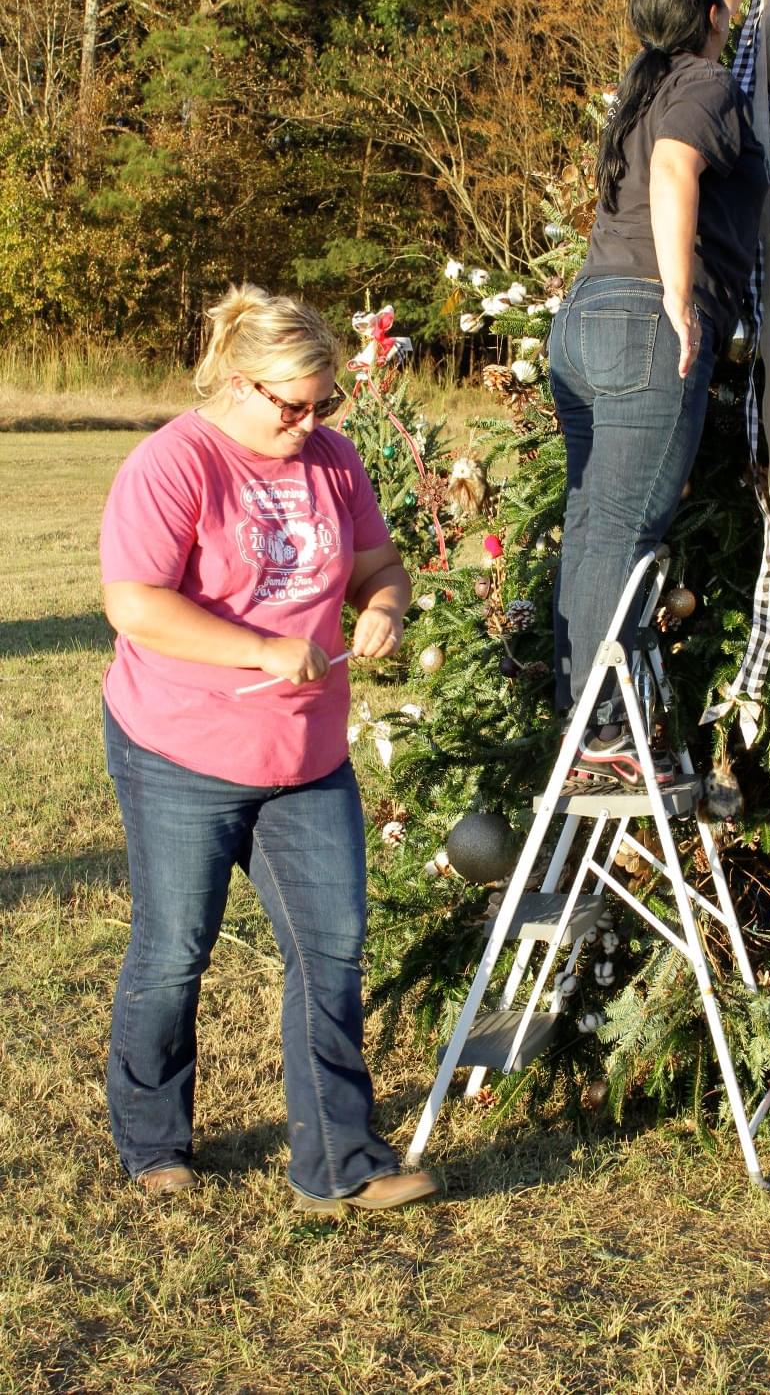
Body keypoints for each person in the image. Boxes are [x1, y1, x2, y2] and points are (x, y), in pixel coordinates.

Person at [100, 284, 437, 1215]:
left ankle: (338, 1162)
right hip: (180, 747)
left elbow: (380, 566)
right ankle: (153, 1139)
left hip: (307, 757)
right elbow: (134, 603)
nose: (311, 420)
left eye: (325, 402)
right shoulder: (174, 464)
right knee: (174, 951)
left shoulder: (332, 460)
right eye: (294, 405)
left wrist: (385, 609)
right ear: (238, 382)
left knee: (330, 950)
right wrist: (259, 646)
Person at [549, 0, 770, 786]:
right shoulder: (703, 88)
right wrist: (683, 298)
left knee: (590, 523)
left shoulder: (650, 77)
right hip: (646, 323)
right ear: (711, 25)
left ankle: (585, 712)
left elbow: (704, 7)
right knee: (624, 526)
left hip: (583, 324)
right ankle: (606, 729)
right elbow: (675, 168)